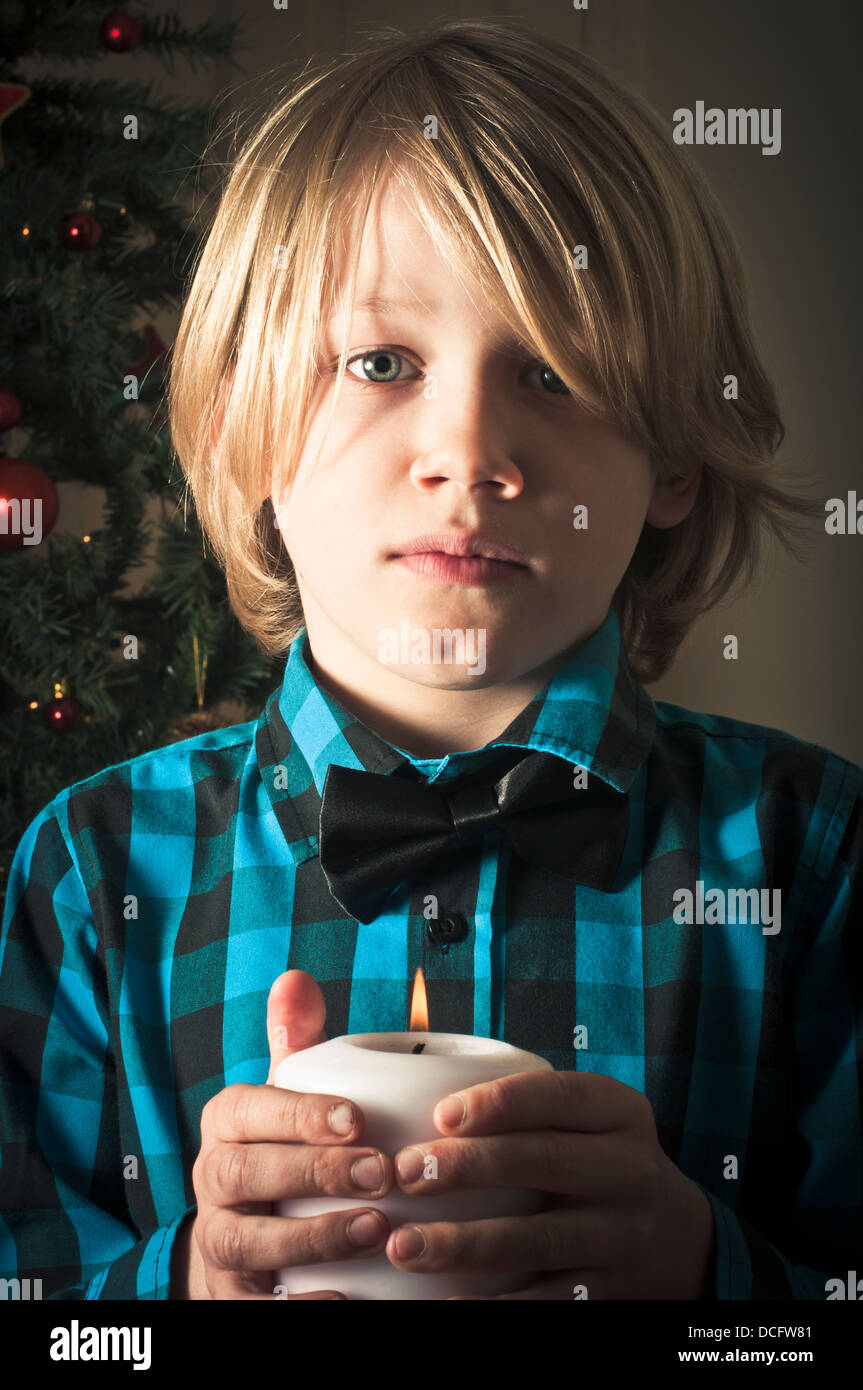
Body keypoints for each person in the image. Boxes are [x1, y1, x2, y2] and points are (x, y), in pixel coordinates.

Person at [1, 19, 858, 1302]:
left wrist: (706, 1281)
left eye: (553, 369)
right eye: (380, 361)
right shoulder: (89, 874)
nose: (468, 451)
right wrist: (184, 1290)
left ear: (673, 455)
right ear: (243, 426)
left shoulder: (816, 855)